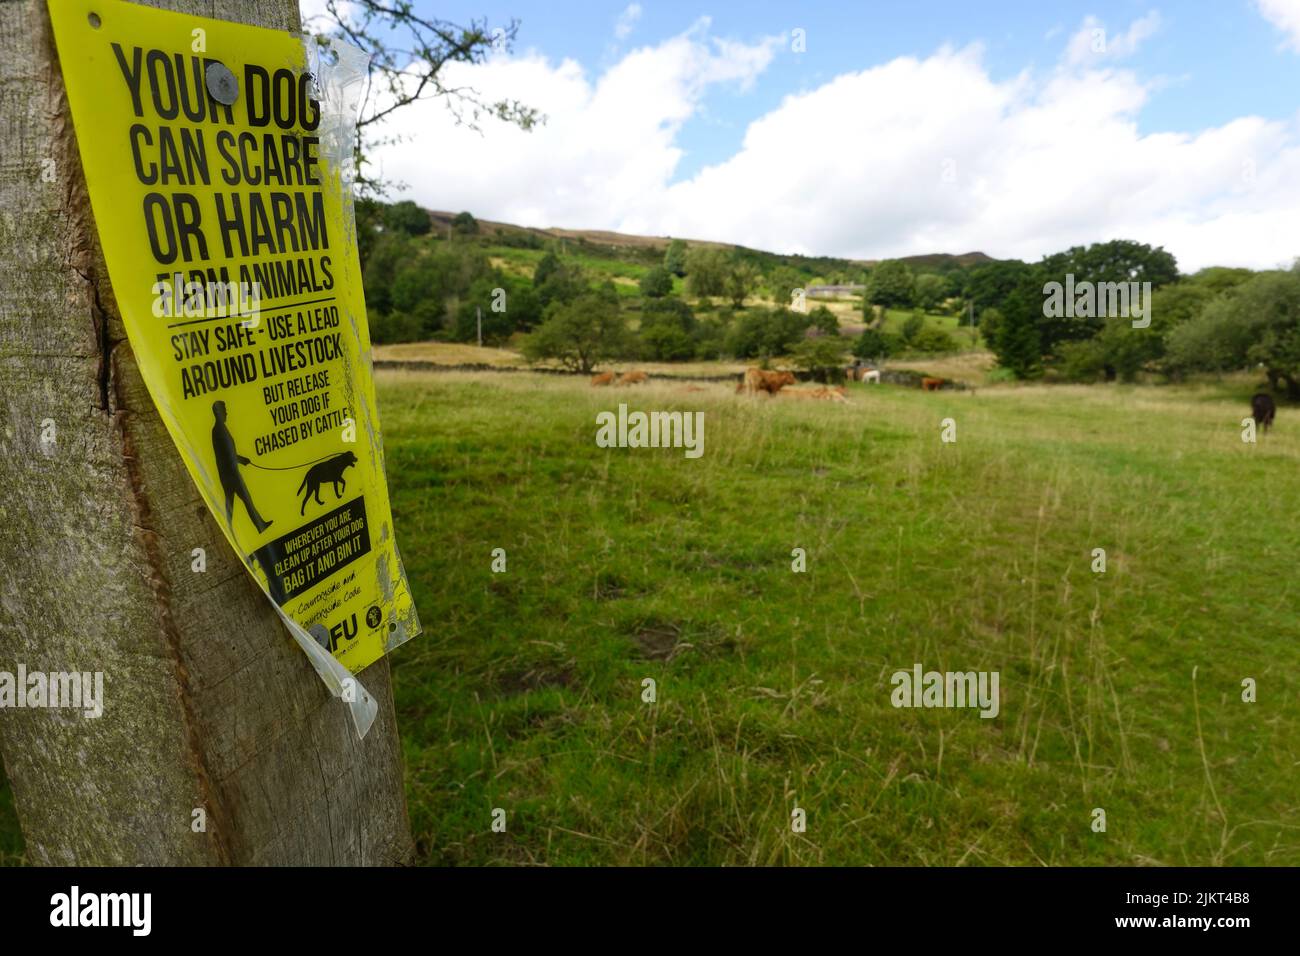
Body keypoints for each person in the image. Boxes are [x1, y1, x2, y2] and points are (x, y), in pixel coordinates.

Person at [211, 400, 272, 534]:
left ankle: (233, 528)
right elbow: (226, 454)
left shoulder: (221, 428)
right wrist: (241, 459)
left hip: (229, 472)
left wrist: (240, 460)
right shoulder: (218, 430)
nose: (226, 412)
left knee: (232, 504)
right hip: (230, 474)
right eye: (224, 410)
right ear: (218, 412)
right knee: (238, 502)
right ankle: (232, 529)